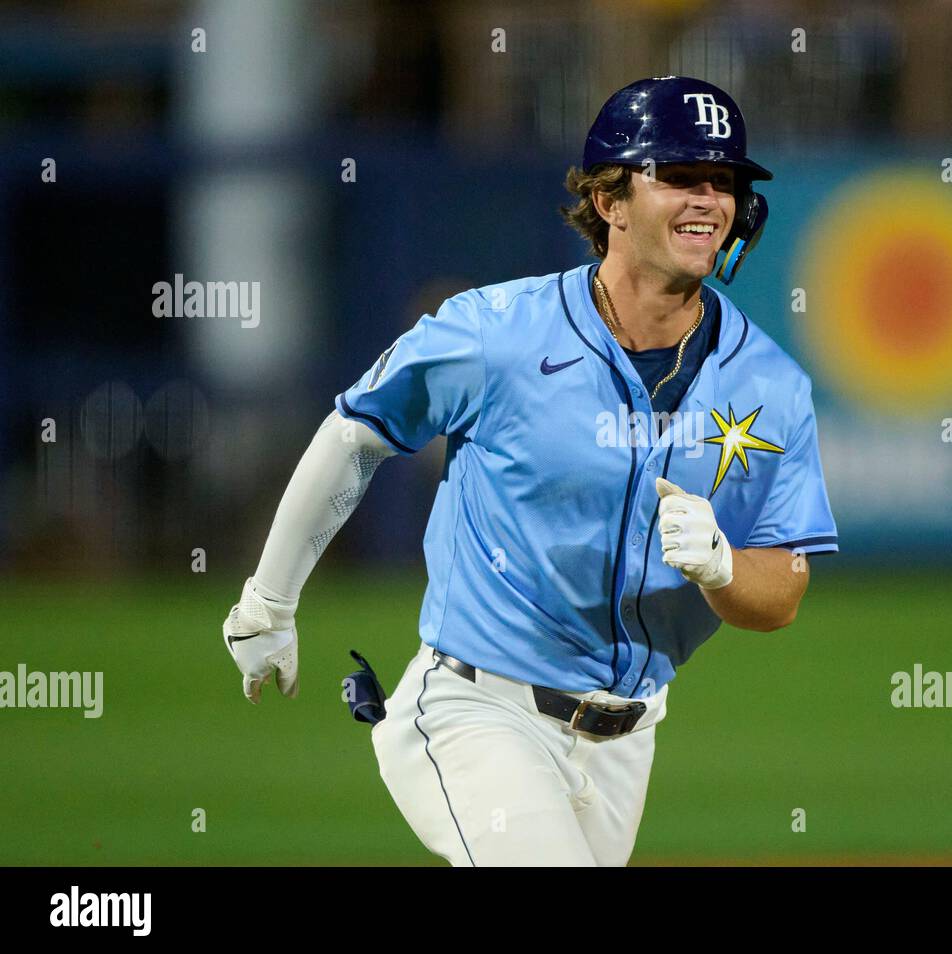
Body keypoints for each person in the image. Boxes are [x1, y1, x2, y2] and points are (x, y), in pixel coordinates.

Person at [221, 76, 838, 866]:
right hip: (478, 708)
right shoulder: (498, 333)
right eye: (679, 176)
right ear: (610, 201)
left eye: (724, 182)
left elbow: (782, 590)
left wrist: (722, 568)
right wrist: (270, 600)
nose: (708, 199)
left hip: (627, 741)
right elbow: (356, 435)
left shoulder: (770, 382)